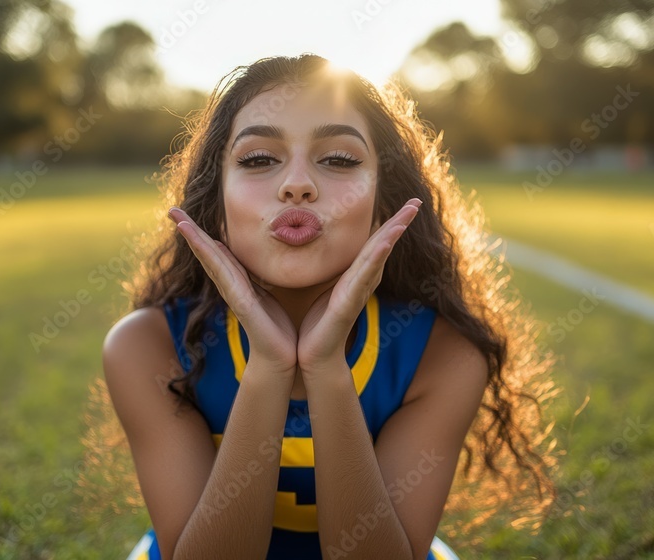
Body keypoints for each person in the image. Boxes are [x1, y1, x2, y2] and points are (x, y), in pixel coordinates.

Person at [101, 54, 557, 559]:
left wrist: (325, 368)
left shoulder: (442, 351)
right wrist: (271, 367)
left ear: (384, 203)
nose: (297, 184)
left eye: (339, 159)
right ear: (216, 207)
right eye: (258, 159)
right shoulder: (146, 345)